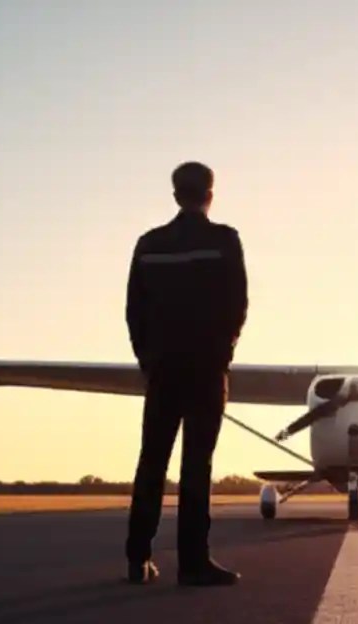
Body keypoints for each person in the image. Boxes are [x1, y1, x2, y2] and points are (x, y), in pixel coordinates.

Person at [123, 161, 248, 586]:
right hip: (206, 371)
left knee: (151, 462)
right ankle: (193, 562)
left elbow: (133, 311)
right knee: (197, 463)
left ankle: (136, 557)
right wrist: (222, 355)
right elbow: (238, 306)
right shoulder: (224, 241)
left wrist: (148, 360)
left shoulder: (148, 245)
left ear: (176, 195)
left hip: (162, 370)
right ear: (209, 194)